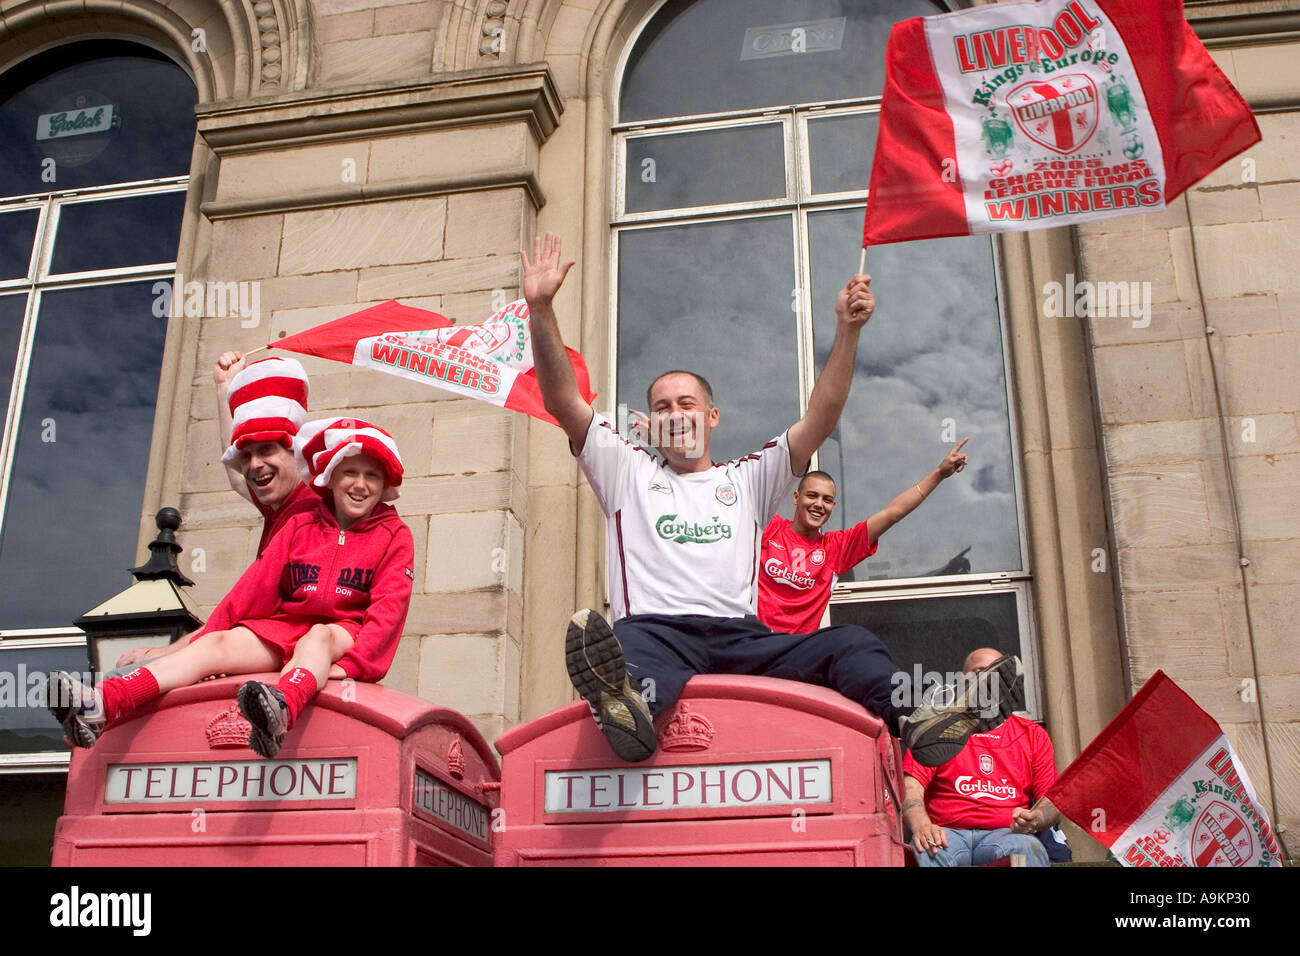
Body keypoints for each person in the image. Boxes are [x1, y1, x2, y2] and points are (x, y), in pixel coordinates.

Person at [521, 232, 1020, 765]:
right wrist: (541, 308)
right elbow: (561, 398)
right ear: (651, 423)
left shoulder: (748, 479)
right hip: (655, 632)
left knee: (848, 644)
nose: (674, 414)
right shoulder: (626, 468)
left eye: (686, 403)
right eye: (661, 407)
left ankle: (920, 716)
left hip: (740, 640)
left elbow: (820, 417)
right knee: (627, 651)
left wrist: (847, 332)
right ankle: (626, 709)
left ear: (712, 417)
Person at [45, 418, 415, 759]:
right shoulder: (301, 525)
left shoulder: (395, 535)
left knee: (318, 637)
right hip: (285, 627)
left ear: (385, 487)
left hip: (343, 633)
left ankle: (282, 708)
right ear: (330, 477)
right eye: (350, 472)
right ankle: (102, 704)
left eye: (373, 476)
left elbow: (388, 612)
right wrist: (209, 634)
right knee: (214, 645)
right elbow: (250, 591)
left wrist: (354, 664)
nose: (361, 484)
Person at [113, 354, 319, 673]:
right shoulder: (282, 502)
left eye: (266, 450)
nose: (253, 464)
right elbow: (237, 473)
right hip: (270, 647)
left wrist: (166, 652)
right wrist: (225, 390)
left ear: (296, 451)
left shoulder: (310, 510)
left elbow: (235, 611)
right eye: (246, 455)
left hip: (290, 650)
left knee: (126, 676)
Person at [758, 445, 970, 635]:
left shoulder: (836, 548)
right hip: (751, 643)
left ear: (833, 506)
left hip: (792, 655)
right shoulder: (769, 528)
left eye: (827, 500)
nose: (819, 504)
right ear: (796, 498)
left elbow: (892, 514)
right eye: (812, 496)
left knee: (854, 641)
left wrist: (939, 474)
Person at [901, 647, 1061, 867]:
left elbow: (1052, 802)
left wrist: (1036, 820)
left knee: (1027, 849)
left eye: (996, 674)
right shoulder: (937, 730)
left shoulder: (1032, 735)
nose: (986, 679)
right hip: (948, 835)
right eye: (978, 672)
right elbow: (910, 787)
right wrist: (921, 825)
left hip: (1006, 834)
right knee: (926, 851)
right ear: (961, 681)